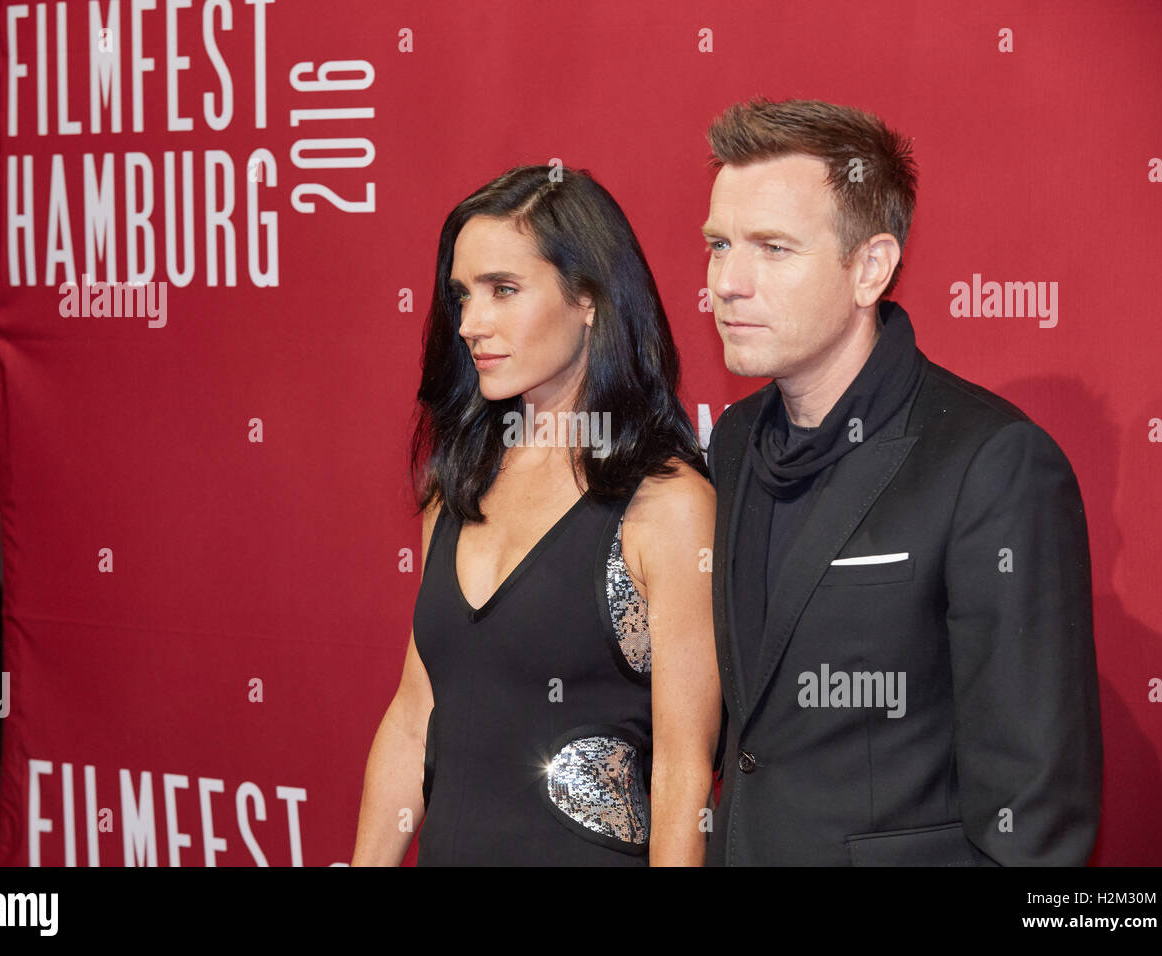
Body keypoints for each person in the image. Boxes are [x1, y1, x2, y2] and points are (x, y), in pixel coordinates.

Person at [700, 98, 1103, 865]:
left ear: (871, 267)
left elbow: (1036, 811)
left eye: (773, 248)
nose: (727, 281)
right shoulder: (733, 442)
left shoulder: (992, 463)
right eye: (719, 244)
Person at [352, 165, 720, 866]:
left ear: (588, 297)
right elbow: (414, 717)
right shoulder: (456, 490)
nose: (469, 324)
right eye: (461, 296)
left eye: (503, 291)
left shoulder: (665, 506)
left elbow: (682, 772)